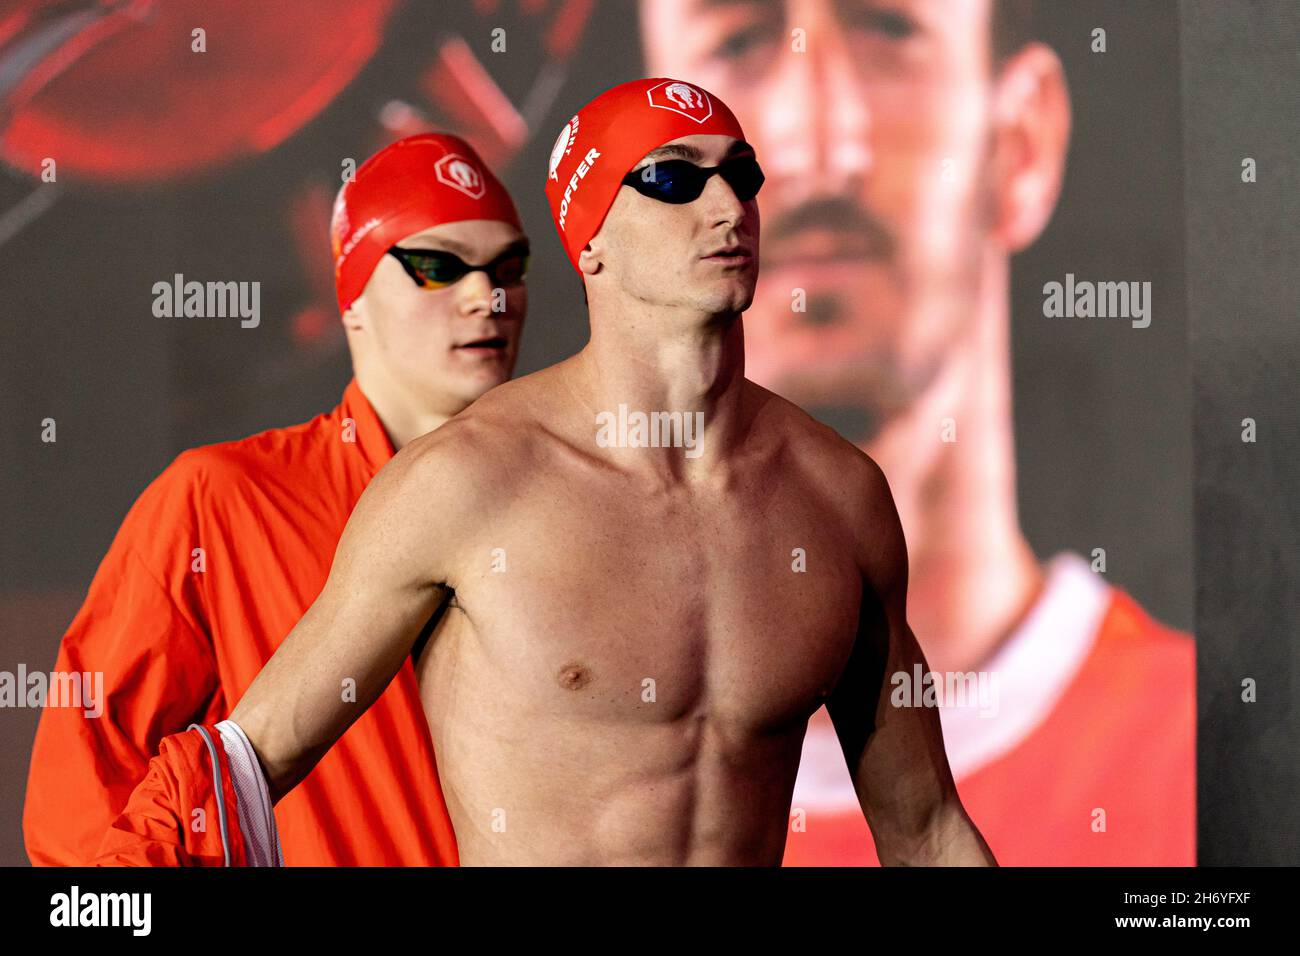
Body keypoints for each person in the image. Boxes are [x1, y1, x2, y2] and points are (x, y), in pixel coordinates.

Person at [103, 77, 997, 867]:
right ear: (591, 242)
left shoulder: (837, 496)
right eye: (675, 179)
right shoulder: (467, 481)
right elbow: (239, 772)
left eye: (742, 174)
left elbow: (923, 830)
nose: (728, 206)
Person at [636, 0, 1194, 864]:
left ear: (1022, 144)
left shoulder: (1217, 767)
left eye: (890, 32)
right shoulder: (509, 775)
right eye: (738, 43)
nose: (817, 146)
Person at [25, 132, 529, 865]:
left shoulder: (584, 506)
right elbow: (85, 790)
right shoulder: (222, 502)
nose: (487, 296)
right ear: (352, 297)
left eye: (509, 268)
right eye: (437, 266)